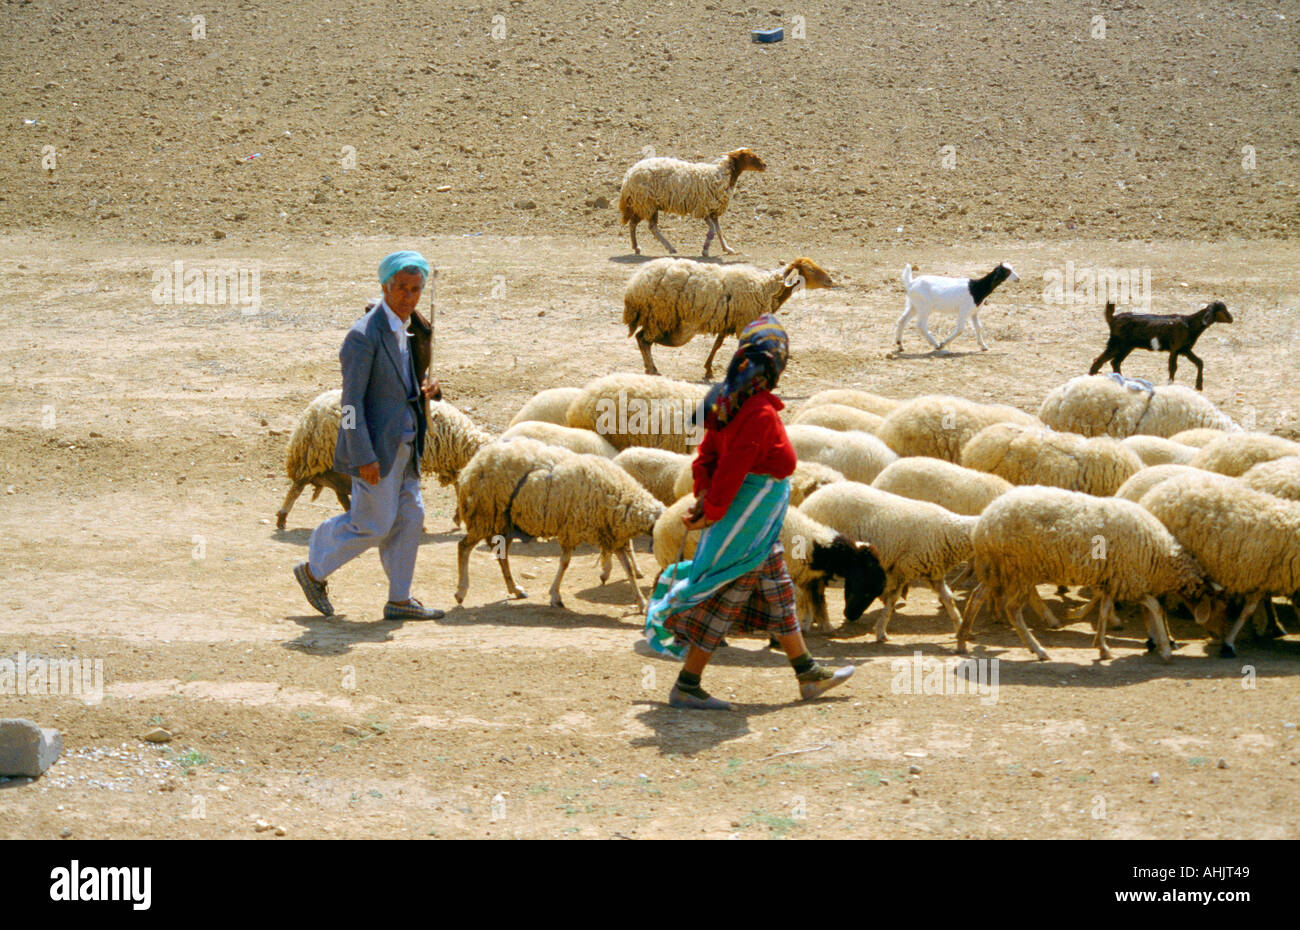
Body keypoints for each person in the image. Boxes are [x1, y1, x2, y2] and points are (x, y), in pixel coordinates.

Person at [644, 315, 854, 709]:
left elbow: (706, 456)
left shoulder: (723, 400)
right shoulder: (756, 410)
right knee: (727, 595)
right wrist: (714, 508)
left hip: (756, 516)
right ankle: (687, 684)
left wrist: (704, 494)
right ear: (774, 365)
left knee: (779, 593)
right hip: (747, 515)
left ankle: (808, 674)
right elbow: (734, 464)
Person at [293, 250, 445, 621]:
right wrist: (362, 455)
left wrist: (430, 388)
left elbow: (410, 382)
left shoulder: (410, 331)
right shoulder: (363, 338)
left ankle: (399, 598)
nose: (409, 296)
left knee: (410, 518)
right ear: (384, 287)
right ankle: (313, 569)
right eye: (402, 289)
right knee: (372, 524)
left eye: (415, 289)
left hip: (408, 446)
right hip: (377, 450)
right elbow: (350, 405)